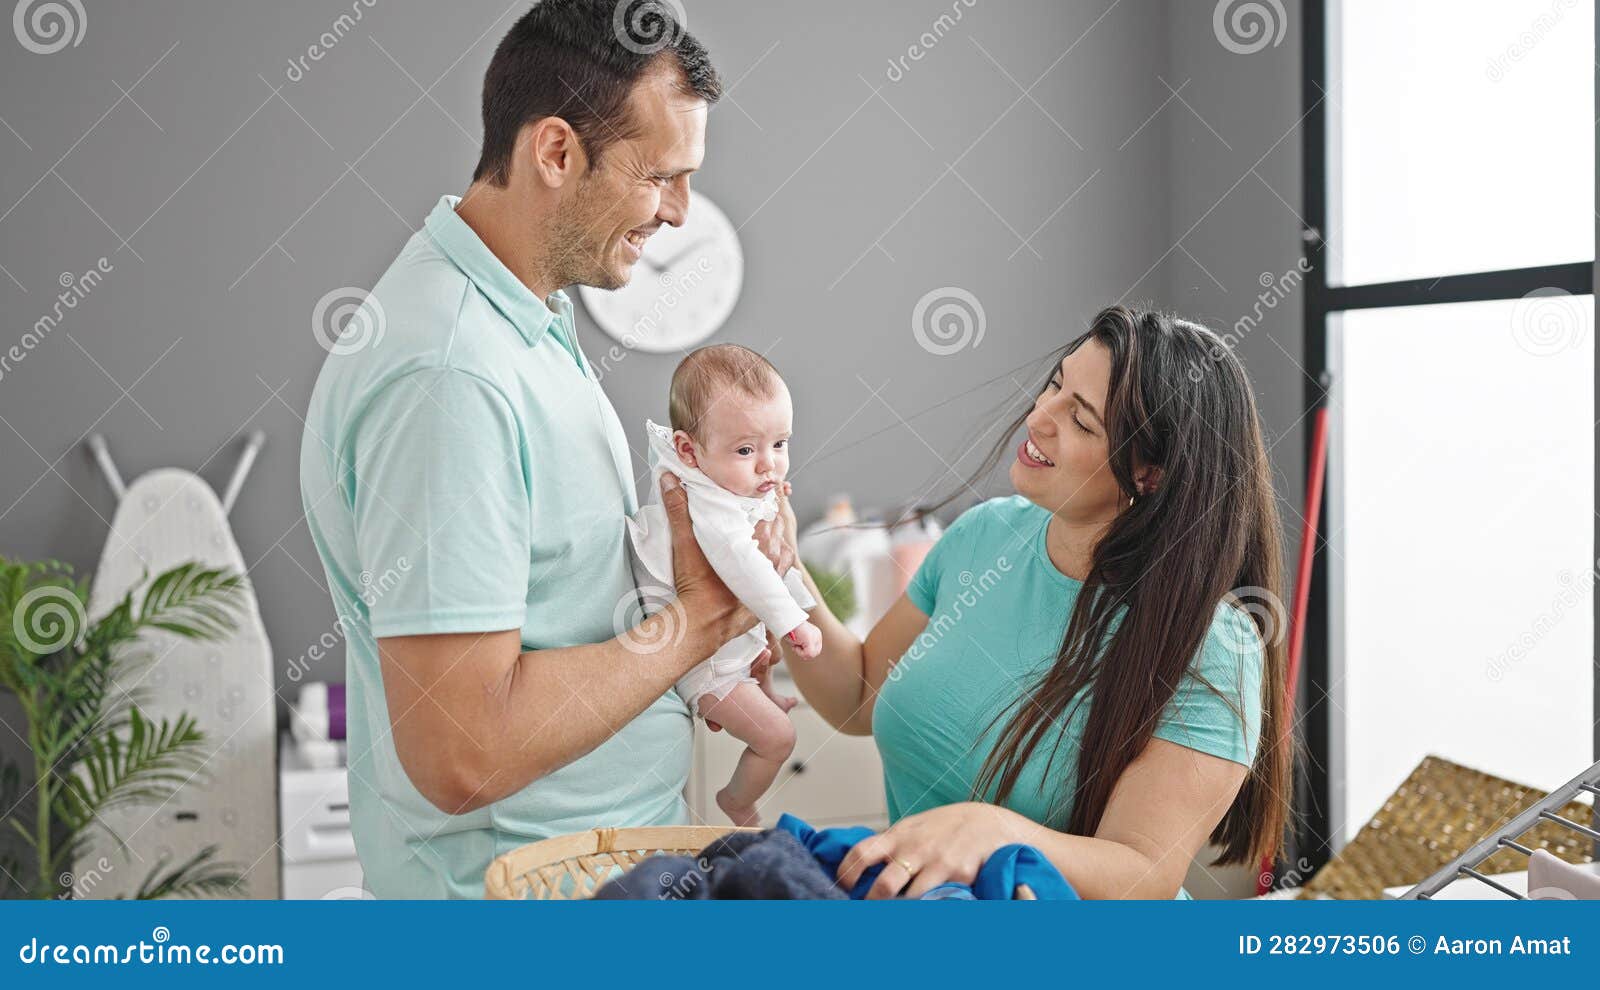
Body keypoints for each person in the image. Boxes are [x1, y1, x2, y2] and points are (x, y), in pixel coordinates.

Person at [297, 0, 785, 898]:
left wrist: (703, 639)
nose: (680, 212)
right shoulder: (451, 374)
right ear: (556, 151)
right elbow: (462, 748)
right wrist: (698, 623)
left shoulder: (522, 321)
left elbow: (565, 611)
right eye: (661, 177)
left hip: (606, 880)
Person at [776, 305, 1293, 899]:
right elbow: (858, 697)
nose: (1038, 417)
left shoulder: (1213, 643)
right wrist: (780, 570)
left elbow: (1143, 875)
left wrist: (994, 831)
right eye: (1055, 384)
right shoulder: (985, 534)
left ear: (1149, 473)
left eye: (1081, 421)